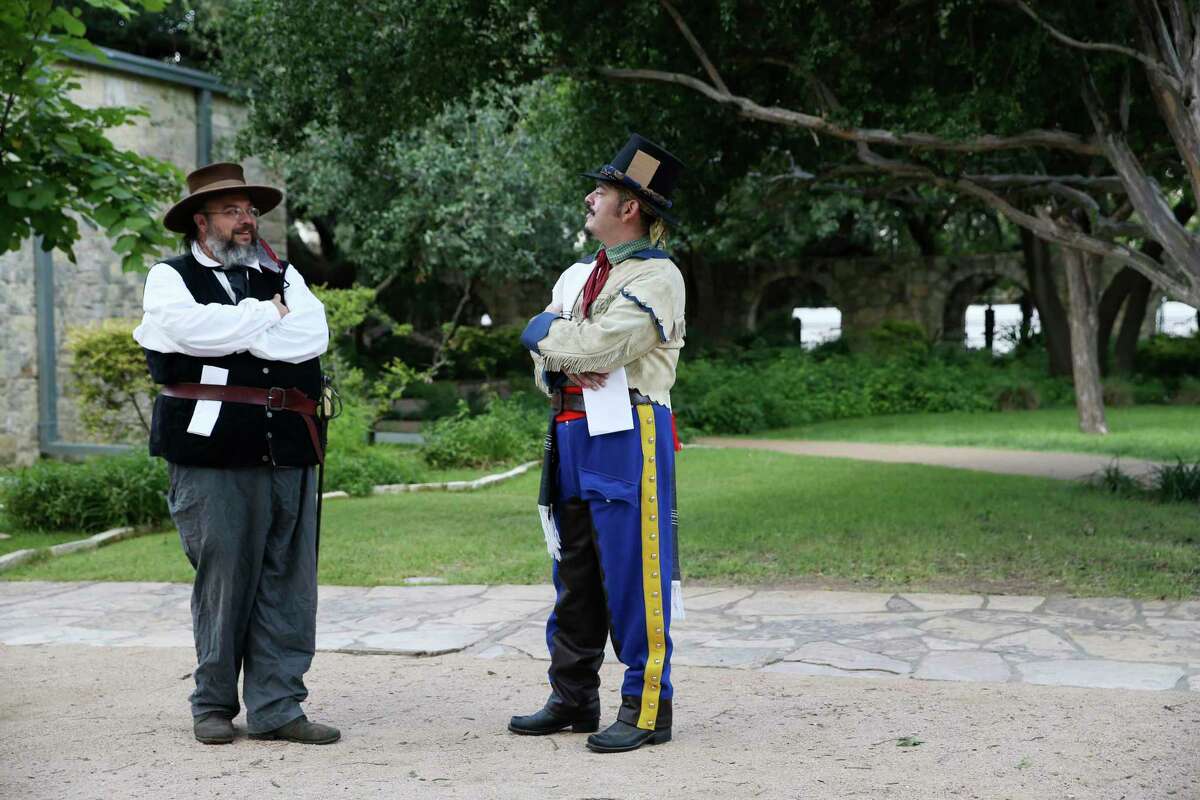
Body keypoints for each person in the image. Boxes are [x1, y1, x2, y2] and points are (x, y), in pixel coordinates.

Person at [133, 162, 338, 745]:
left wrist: (238, 326)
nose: (246, 221)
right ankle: (213, 702)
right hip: (210, 446)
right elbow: (184, 330)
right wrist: (264, 317)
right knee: (225, 574)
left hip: (291, 442)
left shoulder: (283, 273)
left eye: (250, 210)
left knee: (288, 577)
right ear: (201, 222)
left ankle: (277, 705)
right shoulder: (168, 278)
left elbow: (311, 337)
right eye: (231, 211)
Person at [510, 134, 687, 753]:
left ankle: (646, 709)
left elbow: (599, 349)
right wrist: (556, 350)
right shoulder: (584, 275)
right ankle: (573, 695)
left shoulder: (658, 277)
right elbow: (551, 361)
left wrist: (548, 334)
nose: (591, 198)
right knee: (575, 569)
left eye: (603, 191)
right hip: (570, 428)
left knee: (636, 570)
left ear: (631, 208)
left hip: (629, 429)